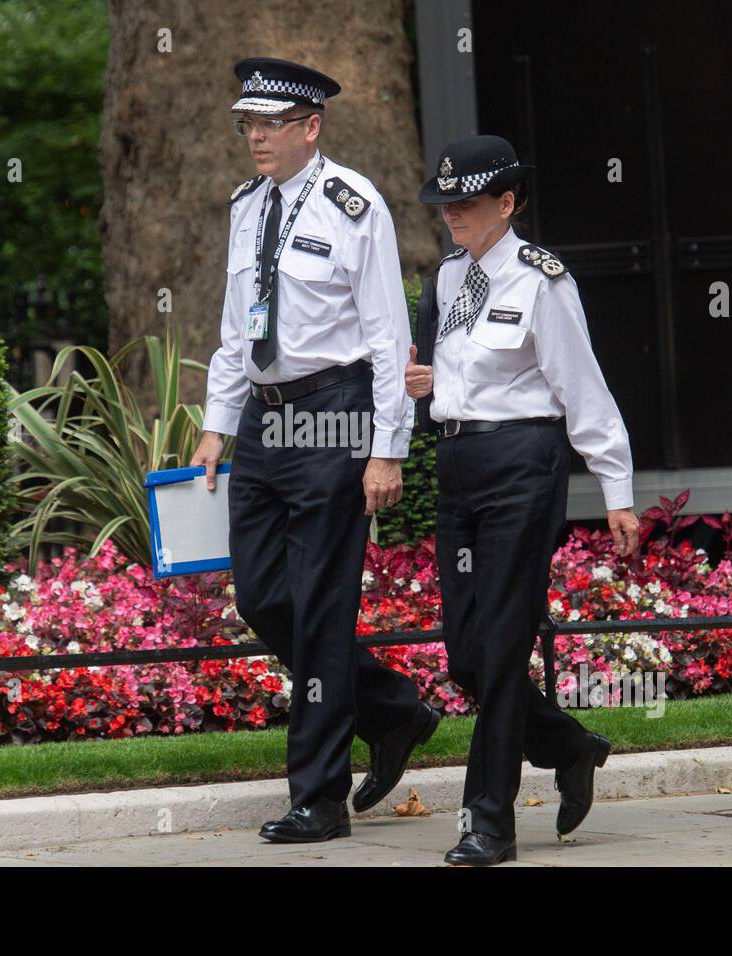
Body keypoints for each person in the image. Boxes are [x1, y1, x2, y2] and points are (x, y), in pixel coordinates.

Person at [191, 57, 438, 844]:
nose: (255, 136)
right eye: (248, 124)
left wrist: (386, 448)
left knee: (324, 607)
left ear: (311, 128)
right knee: (264, 598)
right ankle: (393, 712)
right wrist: (216, 422)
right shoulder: (245, 205)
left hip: (334, 414)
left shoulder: (351, 204)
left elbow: (386, 335)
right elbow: (238, 327)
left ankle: (319, 797)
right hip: (265, 420)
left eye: (269, 124)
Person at [406, 135, 641, 865]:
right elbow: (439, 375)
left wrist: (617, 490)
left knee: (504, 642)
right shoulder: (446, 279)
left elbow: (582, 388)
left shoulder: (543, 281)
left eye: (467, 203)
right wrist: (426, 393)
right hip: (459, 463)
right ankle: (569, 746)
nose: (452, 216)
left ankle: (489, 821)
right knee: (465, 653)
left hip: (523, 464)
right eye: (444, 203)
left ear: (508, 203)